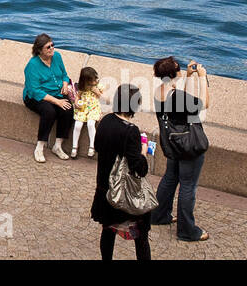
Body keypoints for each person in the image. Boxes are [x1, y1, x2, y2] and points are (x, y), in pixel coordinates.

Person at [150, 56, 211, 242]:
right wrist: (202, 78)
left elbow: (179, 98)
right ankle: (187, 230)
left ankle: (159, 215)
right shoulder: (177, 96)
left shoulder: (160, 92)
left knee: (170, 177)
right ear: (172, 73)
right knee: (188, 185)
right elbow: (204, 103)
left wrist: (187, 76)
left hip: (172, 143)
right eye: (178, 68)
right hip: (188, 145)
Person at [90, 83, 153, 260]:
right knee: (141, 236)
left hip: (104, 188)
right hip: (124, 192)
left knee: (108, 230)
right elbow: (139, 168)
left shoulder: (105, 120)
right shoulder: (131, 131)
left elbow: (97, 146)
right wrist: (143, 149)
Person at [22, 33, 75, 163]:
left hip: (56, 92)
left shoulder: (57, 56)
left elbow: (64, 74)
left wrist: (64, 84)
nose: (52, 48)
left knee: (68, 110)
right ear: (40, 50)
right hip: (35, 96)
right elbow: (35, 90)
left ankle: (58, 145)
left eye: (52, 45)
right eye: (48, 47)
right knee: (49, 111)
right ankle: (40, 146)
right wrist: (57, 101)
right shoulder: (32, 65)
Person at [70, 66, 108, 158]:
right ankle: (74, 146)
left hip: (93, 108)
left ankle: (92, 146)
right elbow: (78, 96)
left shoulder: (98, 86)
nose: (95, 82)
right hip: (83, 108)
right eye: (92, 80)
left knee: (91, 124)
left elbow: (107, 99)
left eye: (95, 79)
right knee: (78, 125)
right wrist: (76, 103)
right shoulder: (82, 87)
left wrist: (97, 92)